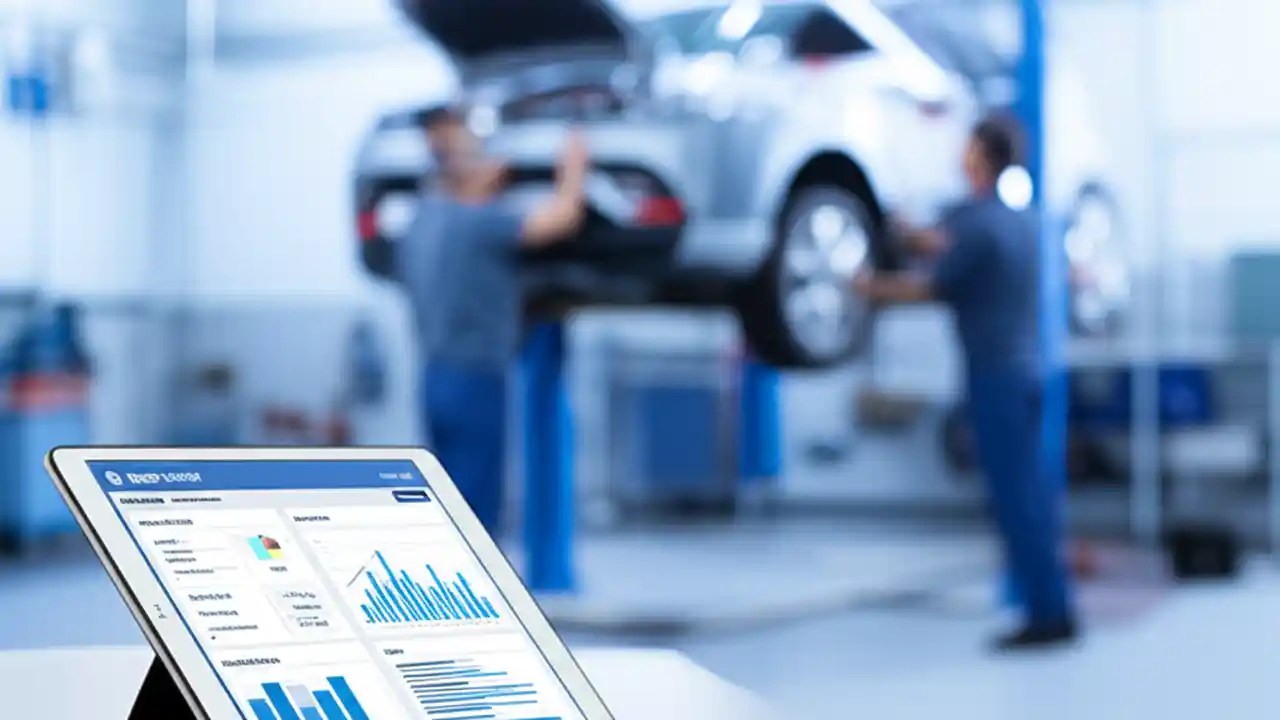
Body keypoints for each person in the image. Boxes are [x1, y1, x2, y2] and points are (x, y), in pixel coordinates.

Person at [854, 115, 1078, 650]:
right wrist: (909, 233)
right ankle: (1052, 606)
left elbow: (934, 285)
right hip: (1028, 372)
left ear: (980, 154)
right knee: (1032, 495)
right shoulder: (1019, 221)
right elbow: (949, 244)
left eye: (966, 145)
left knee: (1015, 499)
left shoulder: (978, 224)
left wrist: (865, 286)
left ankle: (1048, 616)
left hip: (997, 376)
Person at [399, 105, 589, 534]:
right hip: (476, 380)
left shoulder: (421, 222)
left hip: (434, 378)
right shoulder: (481, 225)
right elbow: (562, 218)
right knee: (477, 511)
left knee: (449, 503)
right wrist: (575, 165)